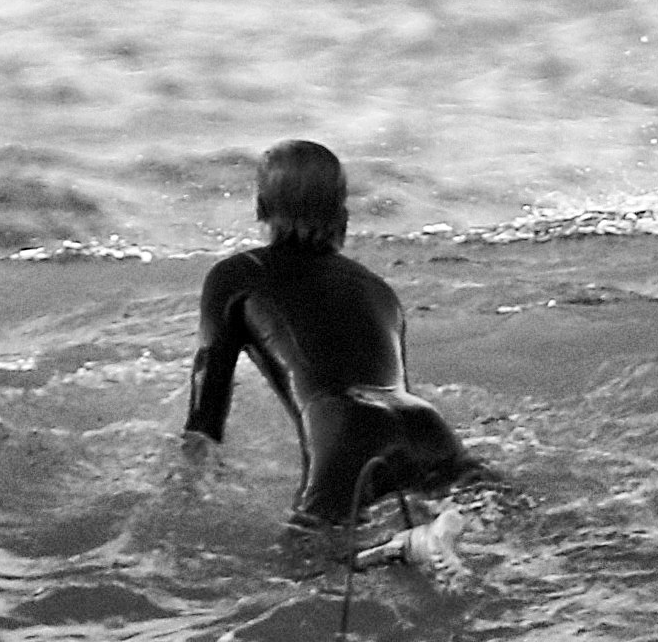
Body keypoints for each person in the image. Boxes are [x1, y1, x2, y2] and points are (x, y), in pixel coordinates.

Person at [183, 139, 473, 521]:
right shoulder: (377, 288)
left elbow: (205, 422)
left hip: (344, 432)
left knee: (306, 570)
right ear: (341, 210)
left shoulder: (236, 275)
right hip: (426, 428)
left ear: (262, 206)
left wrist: (184, 496)